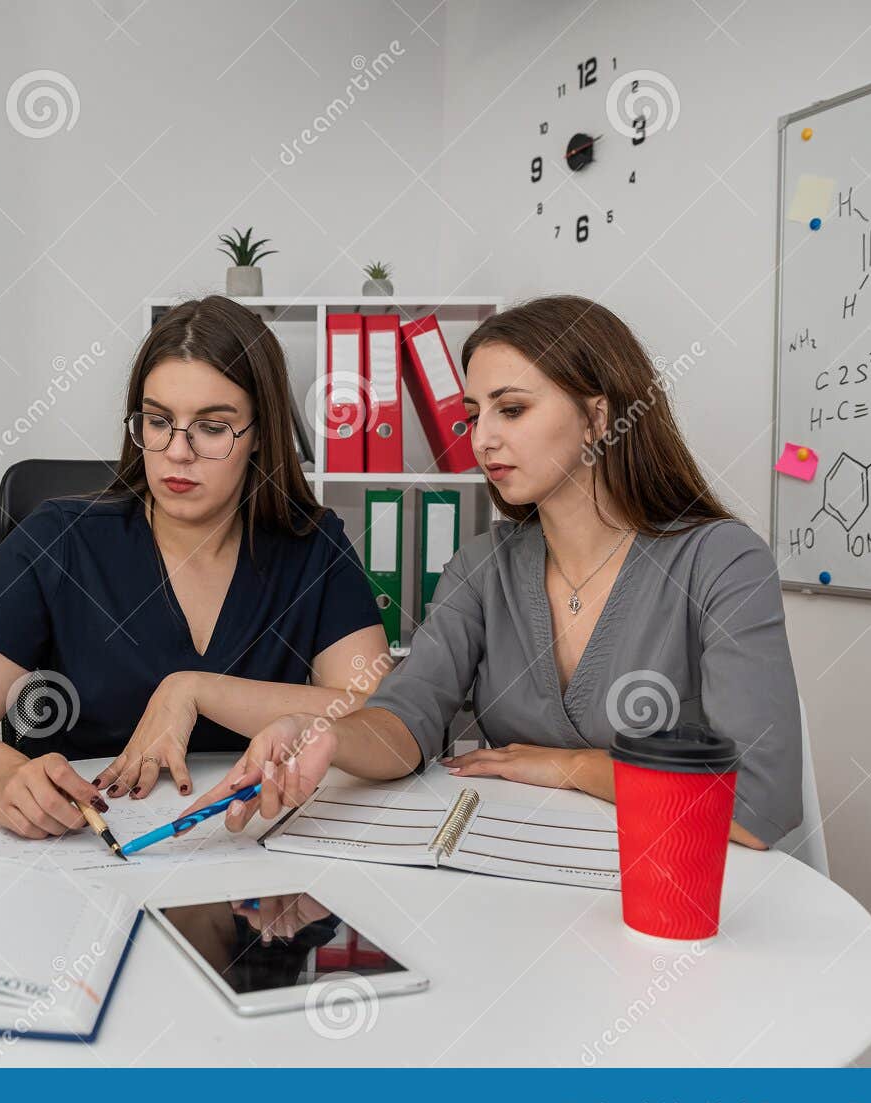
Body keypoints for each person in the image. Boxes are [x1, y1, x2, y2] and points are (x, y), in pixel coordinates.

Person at [188, 294, 802, 851]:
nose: (482, 440)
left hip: (671, 890)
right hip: (517, 877)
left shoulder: (723, 561)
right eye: (474, 415)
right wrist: (313, 731)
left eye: (512, 410)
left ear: (597, 418)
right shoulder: (481, 567)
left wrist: (574, 767)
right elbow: (406, 722)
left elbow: (754, 805)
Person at [0, 295, 390, 840]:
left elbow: (387, 723)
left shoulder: (313, 546)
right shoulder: (58, 541)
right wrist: (4, 777)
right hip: (80, 847)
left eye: (212, 427)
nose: (177, 451)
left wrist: (194, 690)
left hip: (252, 853)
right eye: (159, 421)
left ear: (259, 436)